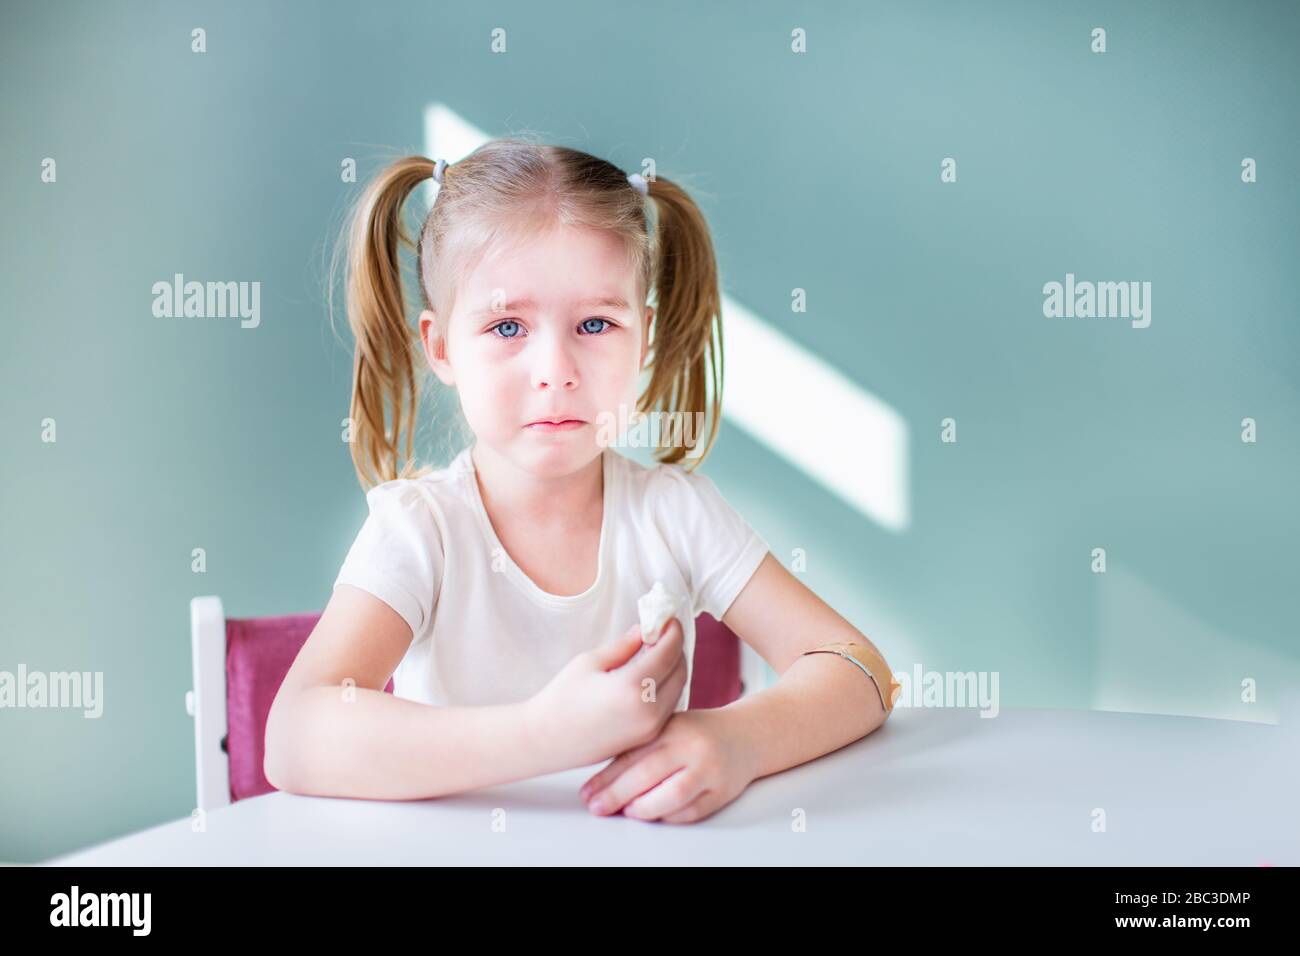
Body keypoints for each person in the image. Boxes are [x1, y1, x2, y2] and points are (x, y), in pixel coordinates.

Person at [264, 139, 898, 824]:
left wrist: (738, 738)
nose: (555, 369)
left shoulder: (673, 513)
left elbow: (858, 668)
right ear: (442, 347)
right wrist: (545, 733)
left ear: (644, 337)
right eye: (508, 326)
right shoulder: (421, 530)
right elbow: (295, 738)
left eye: (595, 323)